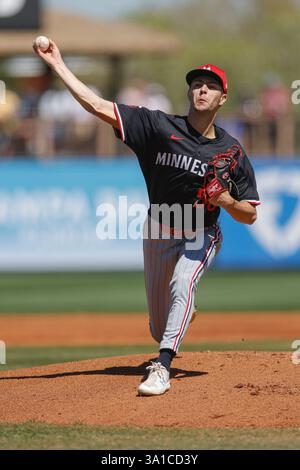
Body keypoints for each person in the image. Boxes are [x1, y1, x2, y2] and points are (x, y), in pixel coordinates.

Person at [33, 40, 260, 396]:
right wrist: (57, 64)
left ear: (222, 99)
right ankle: (173, 323)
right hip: (158, 228)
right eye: (197, 83)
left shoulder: (231, 151)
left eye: (211, 85)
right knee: (158, 324)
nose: (202, 89)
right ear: (189, 91)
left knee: (183, 283)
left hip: (202, 232)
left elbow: (249, 215)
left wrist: (227, 198)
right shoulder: (156, 127)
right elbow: (95, 105)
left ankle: (163, 366)